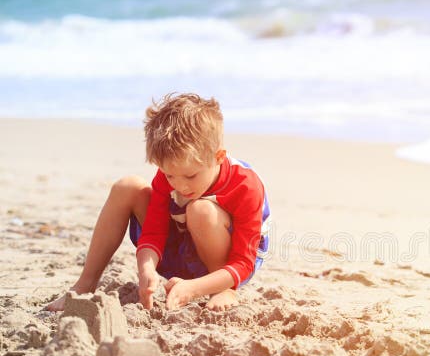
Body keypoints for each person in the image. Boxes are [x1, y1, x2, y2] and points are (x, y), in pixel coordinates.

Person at [46, 93, 270, 312]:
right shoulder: (169, 176)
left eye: (191, 176)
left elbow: (244, 262)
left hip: (228, 266)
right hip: (181, 249)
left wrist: (193, 289)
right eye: (170, 175)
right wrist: (147, 269)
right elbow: (154, 233)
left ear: (218, 157)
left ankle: (223, 290)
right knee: (128, 187)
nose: (180, 186)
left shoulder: (246, 185)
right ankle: (85, 284)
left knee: (200, 210)